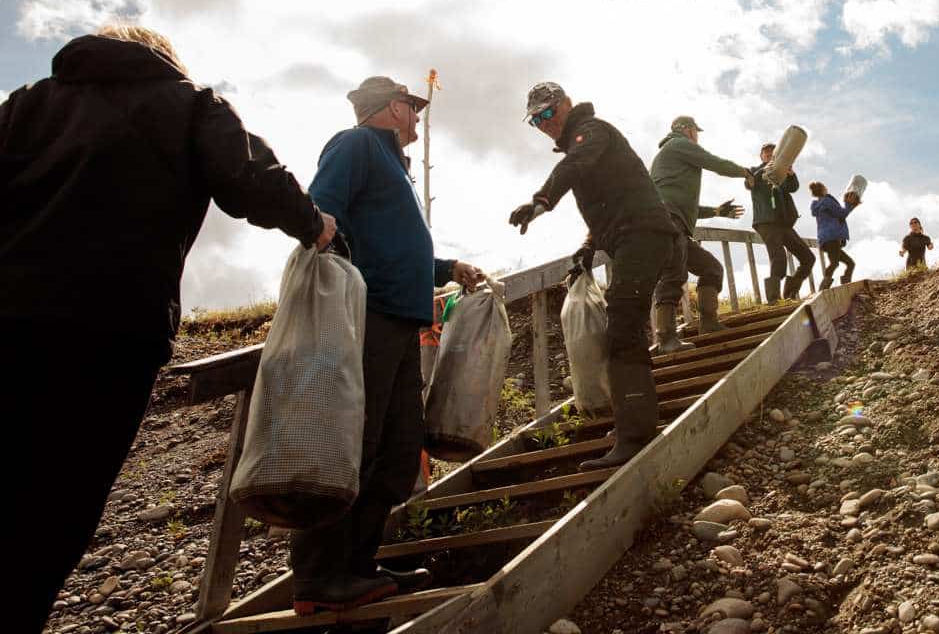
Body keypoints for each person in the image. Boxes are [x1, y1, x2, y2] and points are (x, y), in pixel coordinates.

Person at [0, 26, 336, 634]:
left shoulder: (28, 103)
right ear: (163, 56)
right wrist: (314, 224)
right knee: (53, 507)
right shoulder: (190, 103)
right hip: (107, 333)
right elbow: (250, 177)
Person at [290, 75, 485, 616]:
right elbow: (321, 216)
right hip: (366, 316)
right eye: (413, 108)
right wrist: (351, 283)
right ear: (393, 108)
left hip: (400, 319)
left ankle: (358, 566)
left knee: (399, 450)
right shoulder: (354, 145)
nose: (418, 118)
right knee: (356, 442)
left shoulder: (392, 166)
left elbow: (394, 241)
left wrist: (447, 268)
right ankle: (318, 575)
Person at [508, 83, 677, 469]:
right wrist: (587, 248)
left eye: (549, 114)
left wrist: (541, 201)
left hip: (644, 236)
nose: (544, 124)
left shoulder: (592, 132)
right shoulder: (582, 146)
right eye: (536, 121)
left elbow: (573, 166)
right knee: (621, 325)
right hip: (630, 237)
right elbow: (606, 206)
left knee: (622, 326)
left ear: (567, 105)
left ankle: (635, 435)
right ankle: (633, 422)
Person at [649, 115, 750, 352]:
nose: (697, 136)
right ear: (687, 130)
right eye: (696, 131)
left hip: (677, 224)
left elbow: (687, 205)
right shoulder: (678, 144)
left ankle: (709, 322)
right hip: (667, 222)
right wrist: (745, 172)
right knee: (673, 275)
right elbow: (714, 162)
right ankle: (666, 338)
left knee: (711, 268)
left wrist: (716, 211)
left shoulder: (674, 153)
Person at [746, 142, 815, 303]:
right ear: (761, 156)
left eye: (773, 152)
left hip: (784, 223)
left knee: (808, 258)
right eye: (766, 152)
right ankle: (773, 300)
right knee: (779, 258)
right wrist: (766, 168)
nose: (770, 154)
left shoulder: (782, 170)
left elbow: (793, 187)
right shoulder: (754, 170)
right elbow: (748, 183)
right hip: (766, 222)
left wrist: (790, 173)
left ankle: (790, 293)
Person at [810, 181, 861, 289]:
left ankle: (845, 285)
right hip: (832, 237)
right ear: (823, 189)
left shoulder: (817, 204)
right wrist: (850, 204)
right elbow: (842, 214)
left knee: (849, 263)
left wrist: (850, 205)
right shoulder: (827, 201)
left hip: (825, 239)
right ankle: (824, 287)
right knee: (835, 263)